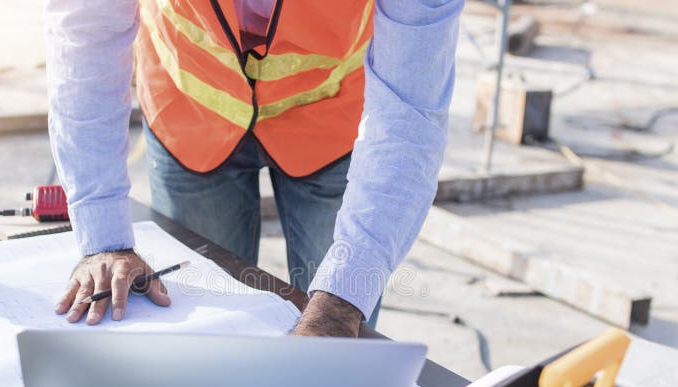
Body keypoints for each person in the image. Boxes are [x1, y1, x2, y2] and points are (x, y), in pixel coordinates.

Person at [47, 0, 462, 336]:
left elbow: (410, 111)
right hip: (192, 108)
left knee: (334, 337)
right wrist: (104, 236)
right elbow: (86, 34)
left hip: (332, 118)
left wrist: (342, 304)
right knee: (200, 334)